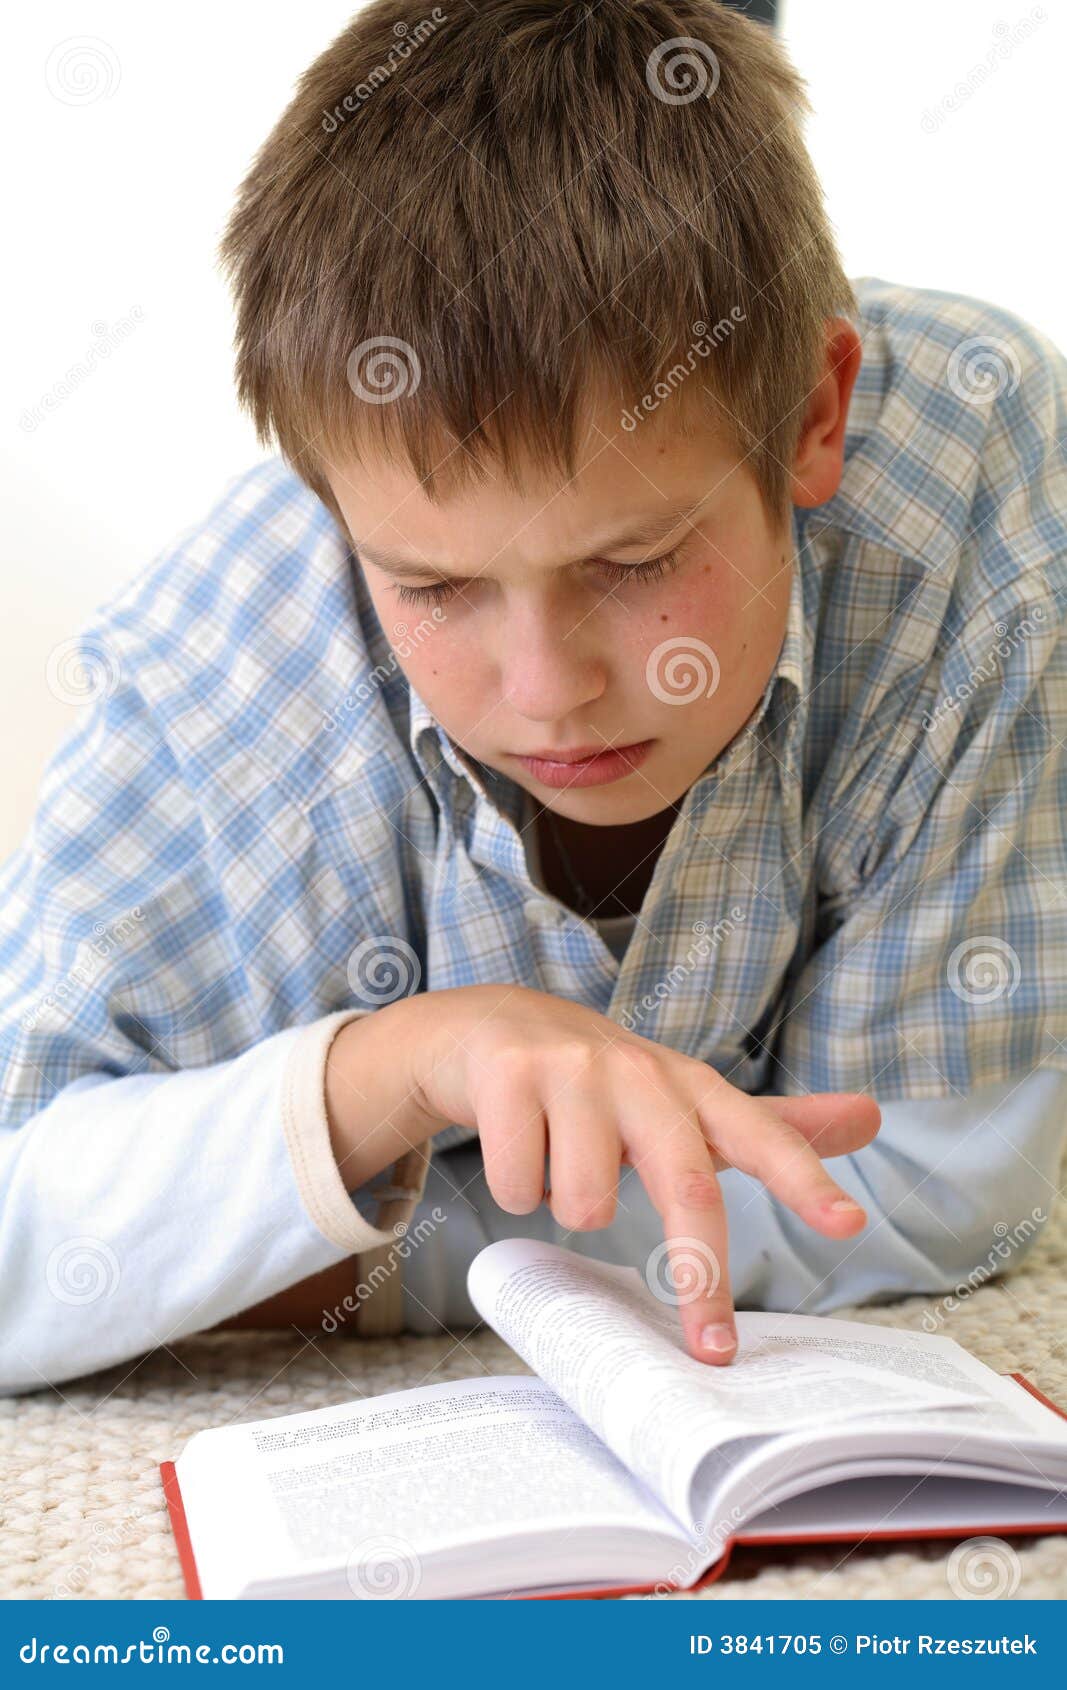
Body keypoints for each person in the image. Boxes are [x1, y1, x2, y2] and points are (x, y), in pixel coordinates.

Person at [1, 0, 1064, 1396]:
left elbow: (943, 1179)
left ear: (816, 415)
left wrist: (335, 1254)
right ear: (333, 514)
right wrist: (399, 1068)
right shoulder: (225, 677)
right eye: (433, 589)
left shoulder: (975, 480)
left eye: (632, 560)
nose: (547, 691)